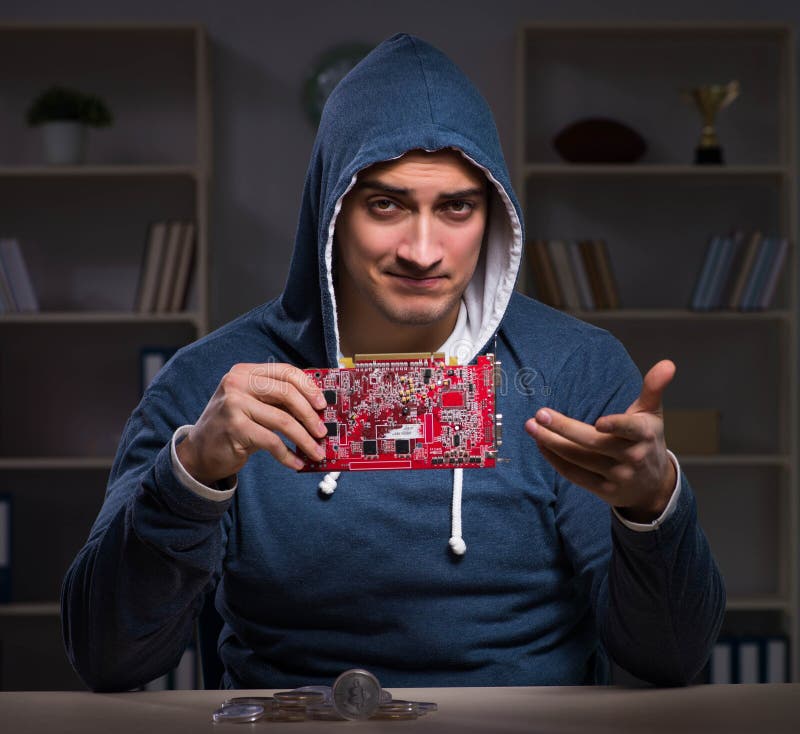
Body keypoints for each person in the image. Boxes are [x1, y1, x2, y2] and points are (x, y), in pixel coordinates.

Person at [62, 33, 725, 692]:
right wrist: (191, 475)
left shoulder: (577, 369)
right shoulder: (214, 383)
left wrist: (652, 508)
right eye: (387, 204)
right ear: (332, 207)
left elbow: (669, 658)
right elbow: (108, 657)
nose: (422, 249)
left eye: (457, 207)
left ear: (493, 215)